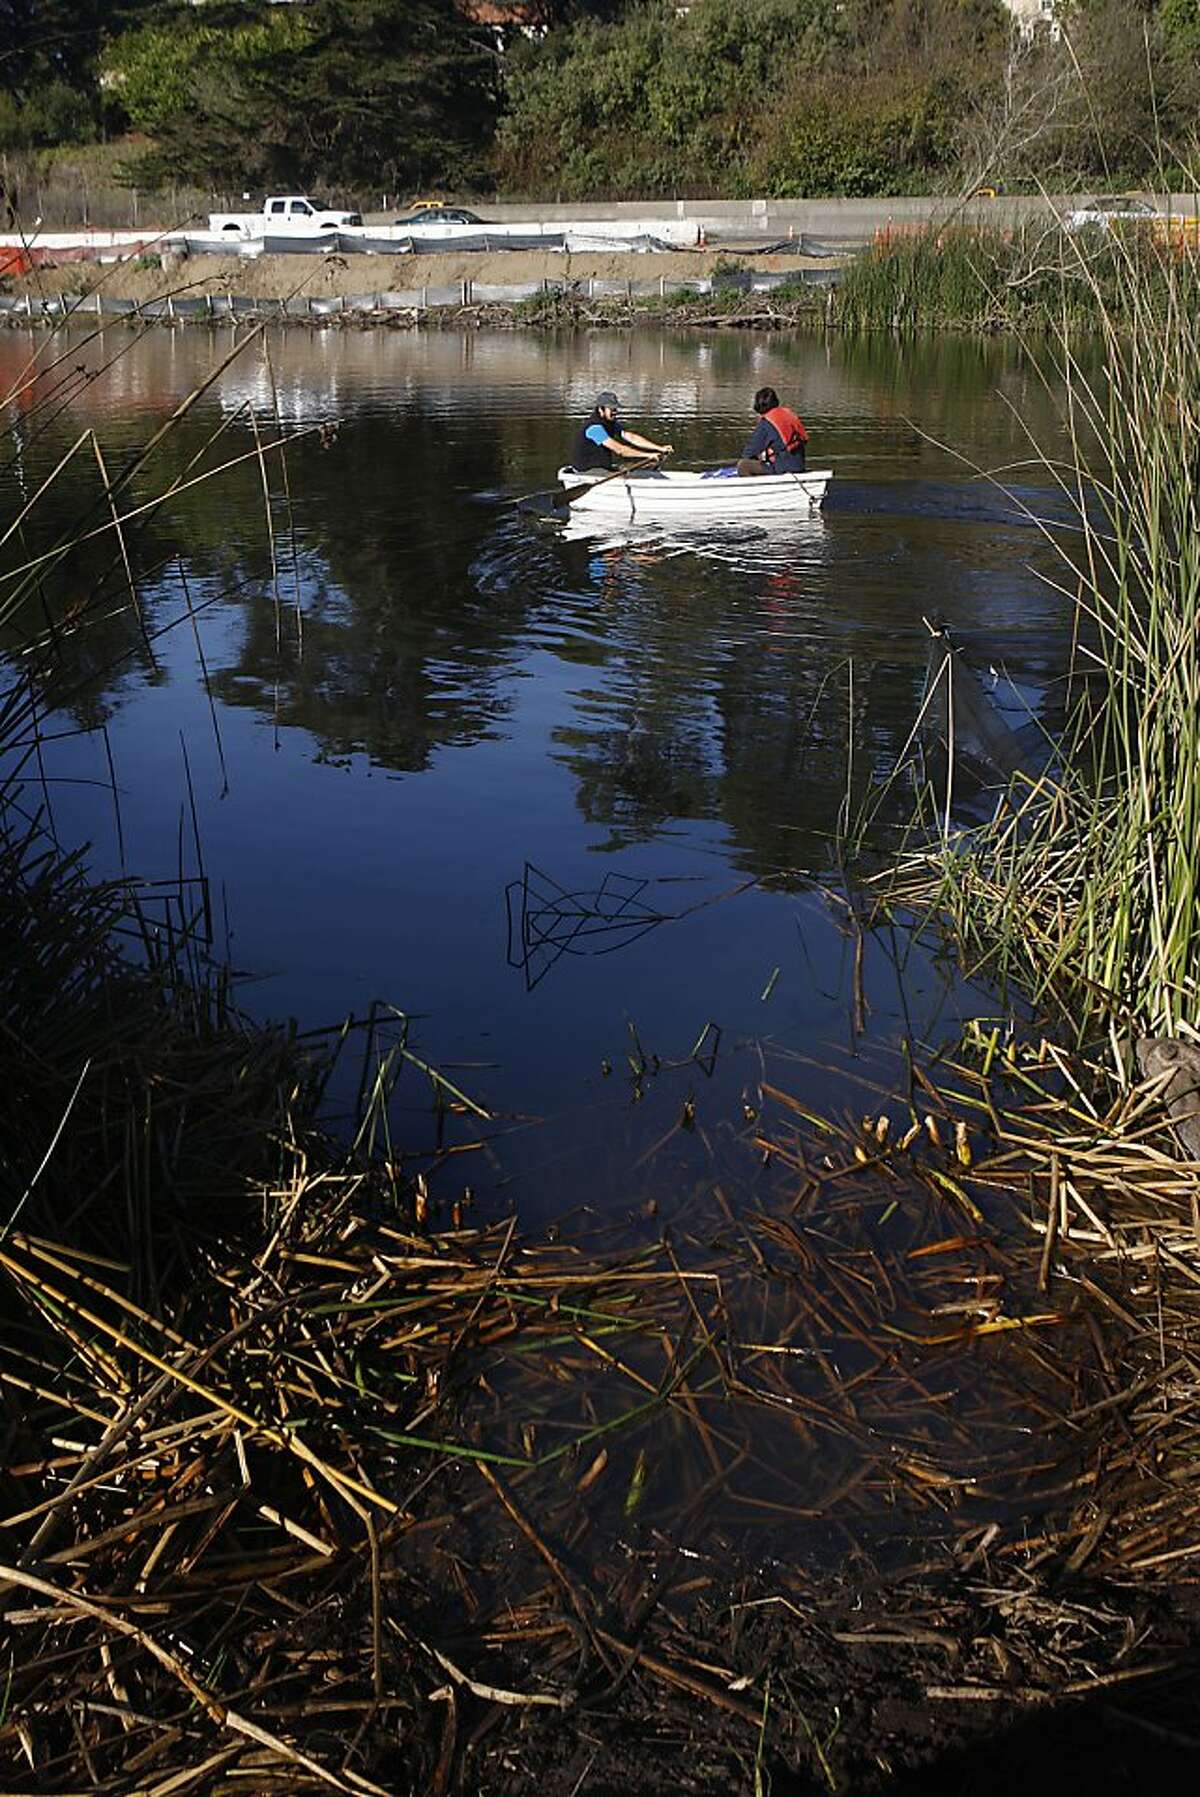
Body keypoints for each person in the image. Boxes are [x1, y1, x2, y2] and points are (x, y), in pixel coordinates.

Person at [571, 391, 673, 474]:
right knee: (627, 473)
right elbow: (620, 450)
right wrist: (648, 455)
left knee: (644, 468)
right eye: (611, 409)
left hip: (601, 467)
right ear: (600, 409)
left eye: (615, 408)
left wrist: (659, 448)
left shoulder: (610, 423)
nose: (615, 412)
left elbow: (631, 437)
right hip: (586, 470)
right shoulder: (595, 429)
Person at [737, 386, 807, 477]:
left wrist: (757, 457)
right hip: (799, 465)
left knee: (743, 465)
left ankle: (755, 488)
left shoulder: (767, 423)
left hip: (783, 468)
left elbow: (749, 452)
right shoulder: (788, 414)